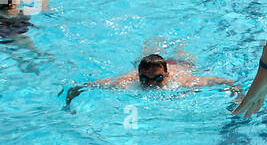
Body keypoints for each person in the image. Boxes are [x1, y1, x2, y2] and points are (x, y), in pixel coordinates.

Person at [65, 53, 240, 105]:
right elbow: (85, 86)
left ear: (167, 74)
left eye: (158, 79)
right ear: (138, 76)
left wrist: (239, 95)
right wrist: (71, 97)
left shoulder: (184, 82)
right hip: (155, 63)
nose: (151, 85)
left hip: (181, 63)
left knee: (182, 53)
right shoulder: (125, 82)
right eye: (145, 80)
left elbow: (228, 82)